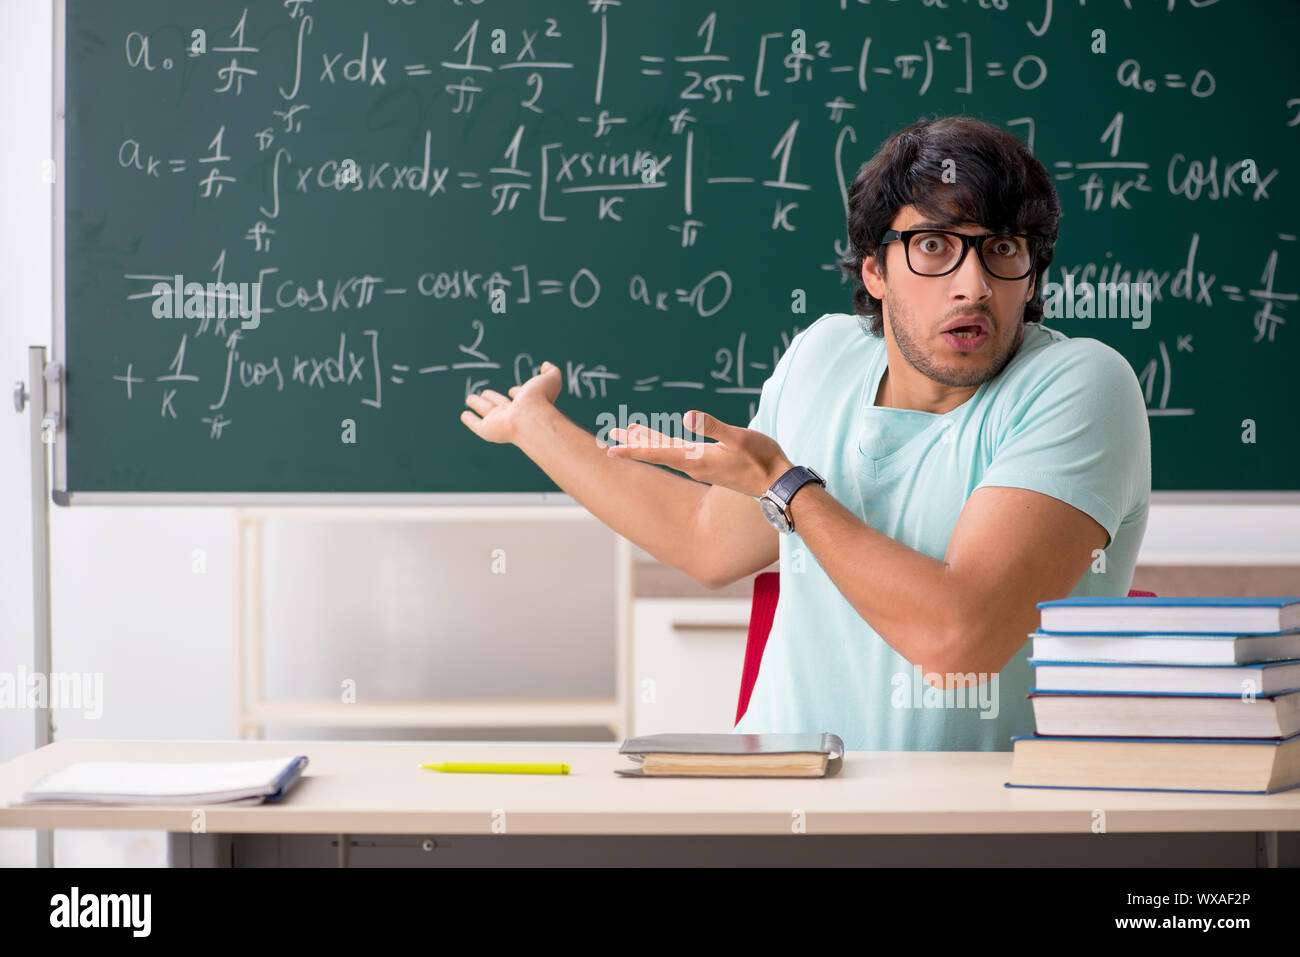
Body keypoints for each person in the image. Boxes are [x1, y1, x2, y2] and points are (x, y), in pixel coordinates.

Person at [460, 115, 1151, 751]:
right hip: (786, 806)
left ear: (1031, 274)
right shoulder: (824, 356)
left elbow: (958, 640)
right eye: (934, 246)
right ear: (875, 270)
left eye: (1002, 249)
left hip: (982, 827)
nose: (971, 284)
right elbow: (707, 540)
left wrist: (788, 486)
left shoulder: (1083, 384)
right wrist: (536, 426)